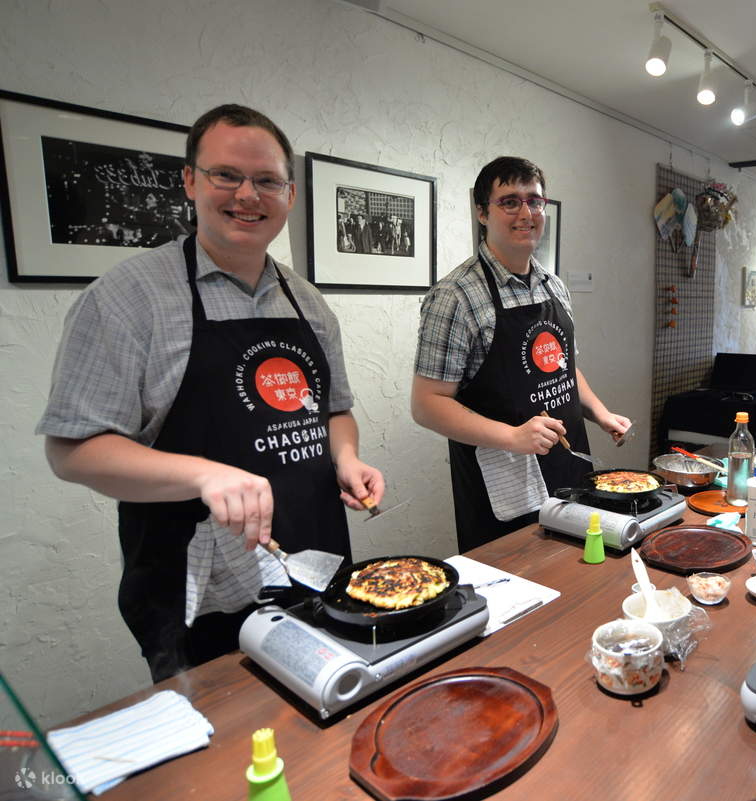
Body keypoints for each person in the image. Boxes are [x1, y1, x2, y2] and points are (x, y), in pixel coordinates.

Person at [37, 104, 384, 682]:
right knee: (233, 759)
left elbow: (335, 410)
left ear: (290, 196)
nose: (248, 194)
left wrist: (345, 456)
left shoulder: (308, 301)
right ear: (191, 181)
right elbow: (72, 450)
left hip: (315, 561)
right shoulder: (130, 297)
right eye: (227, 175)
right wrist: (205, 474)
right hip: (203, 588)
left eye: (267, 180)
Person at [412, 156, 629, 551]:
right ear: (481, 212)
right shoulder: (456, 296)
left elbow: (565, 370)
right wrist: (512, 437)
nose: (525, 213)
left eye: (534, 201)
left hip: (568, 465)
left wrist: (599, 412)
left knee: (577, 581)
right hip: (504, 482)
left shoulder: (554, 286)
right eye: (509, 201)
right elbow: (427, 404)